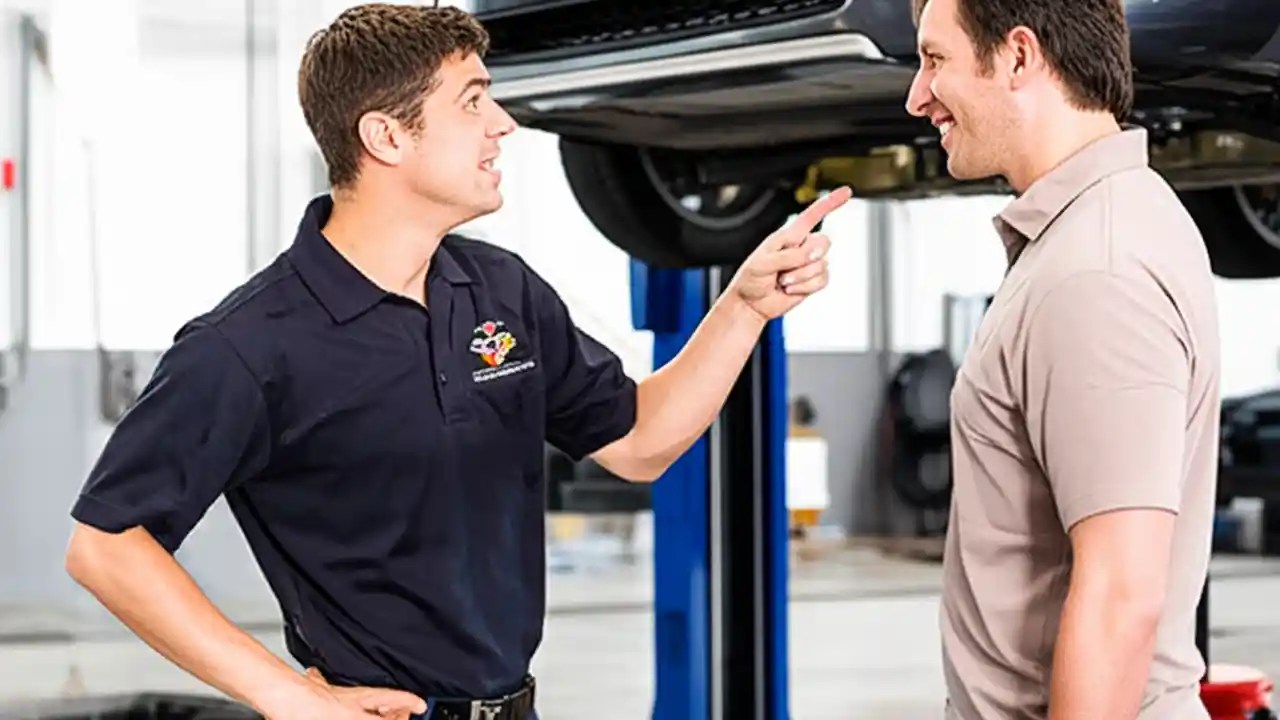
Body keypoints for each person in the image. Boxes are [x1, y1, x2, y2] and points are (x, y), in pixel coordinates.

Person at [62, 4, 850, 720]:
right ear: (386, 137)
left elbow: (640, 441)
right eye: (472, 101)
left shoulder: (501, 289)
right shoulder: (249, 344)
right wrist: (281, 691)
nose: (502, 124)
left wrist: (743, 308)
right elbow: (105, 544)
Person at [906, 1, 1220, 719]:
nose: (917, 98)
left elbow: (1121, 596)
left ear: (1019, 56)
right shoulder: (1091, 233)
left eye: (934, 60)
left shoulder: (1095, 271)